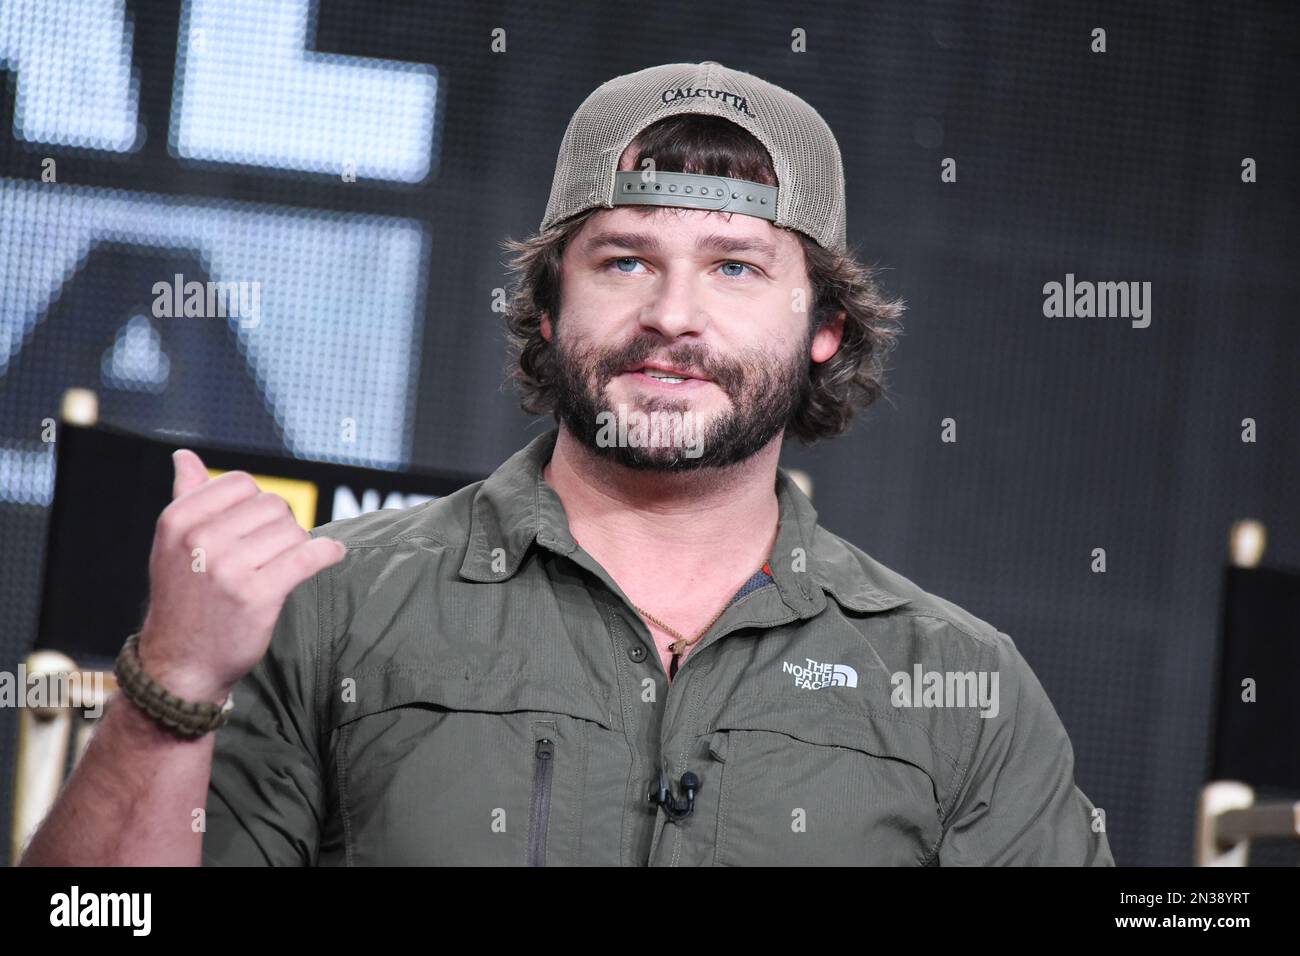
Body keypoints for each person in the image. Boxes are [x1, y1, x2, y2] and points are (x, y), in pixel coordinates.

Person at [21, 61, 1113, 866]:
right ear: (546, 305)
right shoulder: (326, 604)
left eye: (735, 267)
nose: (672, 315)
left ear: (825, 324)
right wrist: (171, 686)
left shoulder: (962, 688)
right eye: (624, 257)